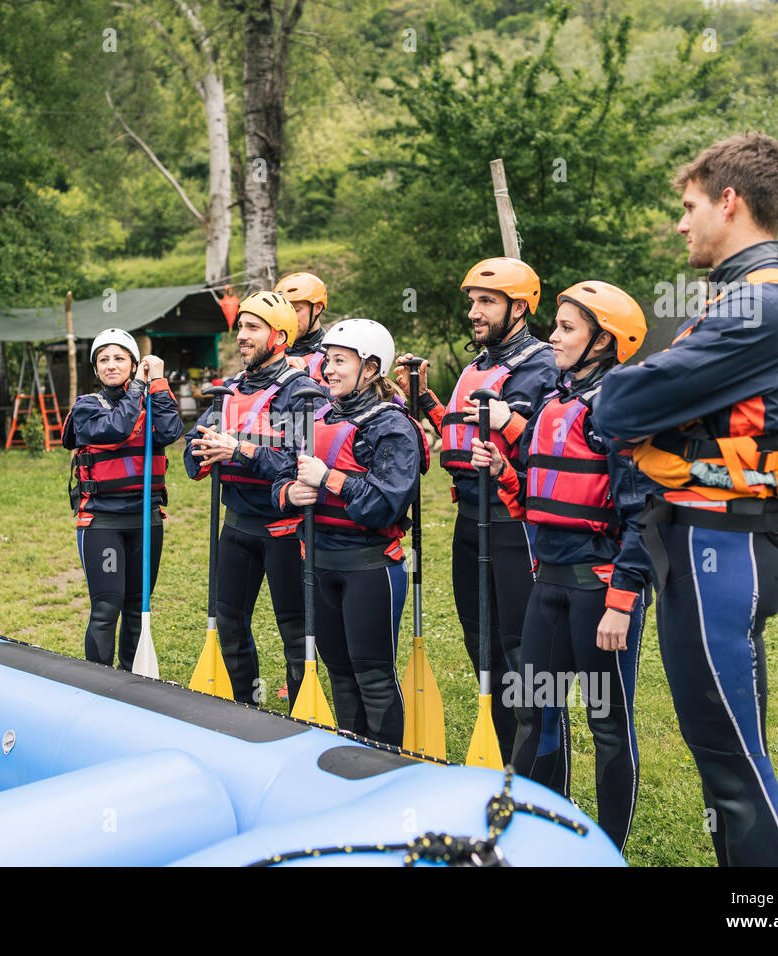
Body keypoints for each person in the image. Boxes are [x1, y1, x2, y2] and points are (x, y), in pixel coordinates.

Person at [593, 132, 778, 867]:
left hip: (718, 553)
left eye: (690, 205)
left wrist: (641, 400)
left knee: (733, 772)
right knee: (732, 763)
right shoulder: (739, 302)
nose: (681, 222)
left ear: (729, 202)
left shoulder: (764, 308)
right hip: (713, 549)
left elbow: (615, 406)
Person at [471, 281, 653, 851]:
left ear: (605, 340)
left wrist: (622, 603)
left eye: (568, 328)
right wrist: (503, 467)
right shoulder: (554, 401)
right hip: (547, 586)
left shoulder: (618, 410)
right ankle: (520, 840)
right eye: (557, 325)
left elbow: (643, 516)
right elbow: (536, 490)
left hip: (600, 594)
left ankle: (608, 850)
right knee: (534, 711)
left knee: (606, 726)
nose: (553, 336)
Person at [394, 257, 562, 774]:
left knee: (521, 655)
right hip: (471, 520)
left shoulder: (543, 366)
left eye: (486, 301)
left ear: (520, 307)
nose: (474, 311)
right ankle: (507, 760)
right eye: (472, 301)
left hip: (515, 524)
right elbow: (466, 433)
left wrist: (507, 423)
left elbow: (545, 446)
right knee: (480, 646)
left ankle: (545, 773)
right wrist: (426, 403)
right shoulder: (476, 366)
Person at [273, 320, 426, 746]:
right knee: (339, 675)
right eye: (327, 360)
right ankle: (349, 757)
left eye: (340, 361)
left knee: (373, 679)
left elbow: (387, 504)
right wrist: (290, 492)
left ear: (372, 368)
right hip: (319, 565)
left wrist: (330, 480)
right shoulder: (316, 416)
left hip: (369, 569)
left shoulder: (392, 427)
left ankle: (385, 769)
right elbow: (282, 478)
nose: (327, 370)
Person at [185, 291, 329, 708]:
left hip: (285, 531)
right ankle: (244, 707)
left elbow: (298, 463)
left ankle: (301, 715)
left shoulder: (301, 393)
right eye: (241, 327)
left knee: (294, 632)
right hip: (237, 527)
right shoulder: (227, 390)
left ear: (280, 337)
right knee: (229, 624)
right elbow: (192, 450)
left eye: (252, 328)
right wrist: (202, 453)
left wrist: (239, 452)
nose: (241, 336)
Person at [63, 329, 183, 670]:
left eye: (119, 358)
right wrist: (140, 388)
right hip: (103, 522)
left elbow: (171, 431)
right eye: (104, 359)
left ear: (133, 364)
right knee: (106, 608)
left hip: (146, 520)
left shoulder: (149, 400)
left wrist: (157, 383)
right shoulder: (87, 406)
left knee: (137, 608)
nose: (111, 365)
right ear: (96, 369)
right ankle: (99, 684)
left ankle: (132, 683)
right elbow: (117, 428)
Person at [275, 271, 329, 384]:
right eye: (283, 311)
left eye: (295, 310)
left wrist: (304, 380)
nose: (288, 318)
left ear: (317, 308)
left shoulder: (332, 355)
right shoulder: (270, 351)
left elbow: (343, 400)